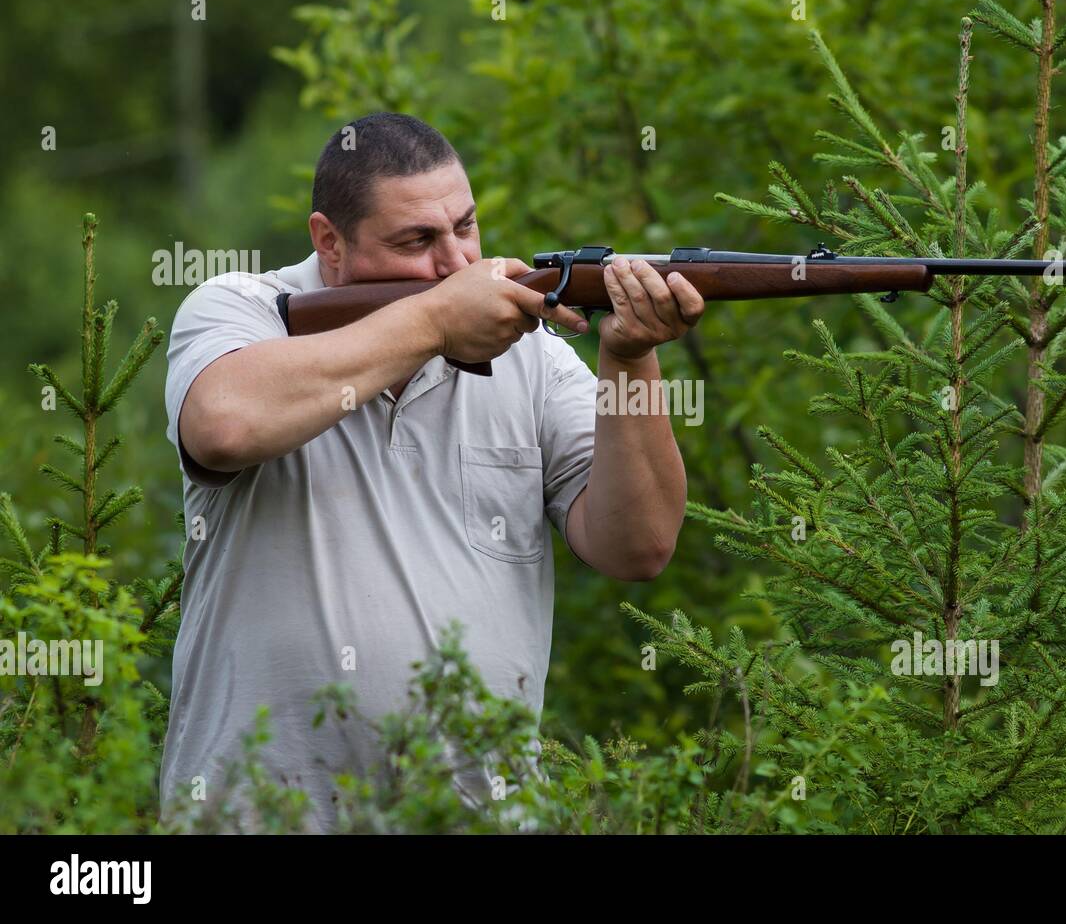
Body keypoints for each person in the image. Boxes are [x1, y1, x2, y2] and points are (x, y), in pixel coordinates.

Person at [158, 112, 704, 831]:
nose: (455, 264)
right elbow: (225, 424)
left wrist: (630, 360)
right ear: (329, 240)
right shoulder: (245, 310)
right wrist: (438, 324)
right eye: (417, 240)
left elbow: (638, 545)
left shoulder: (531, 354)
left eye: (465, 228)